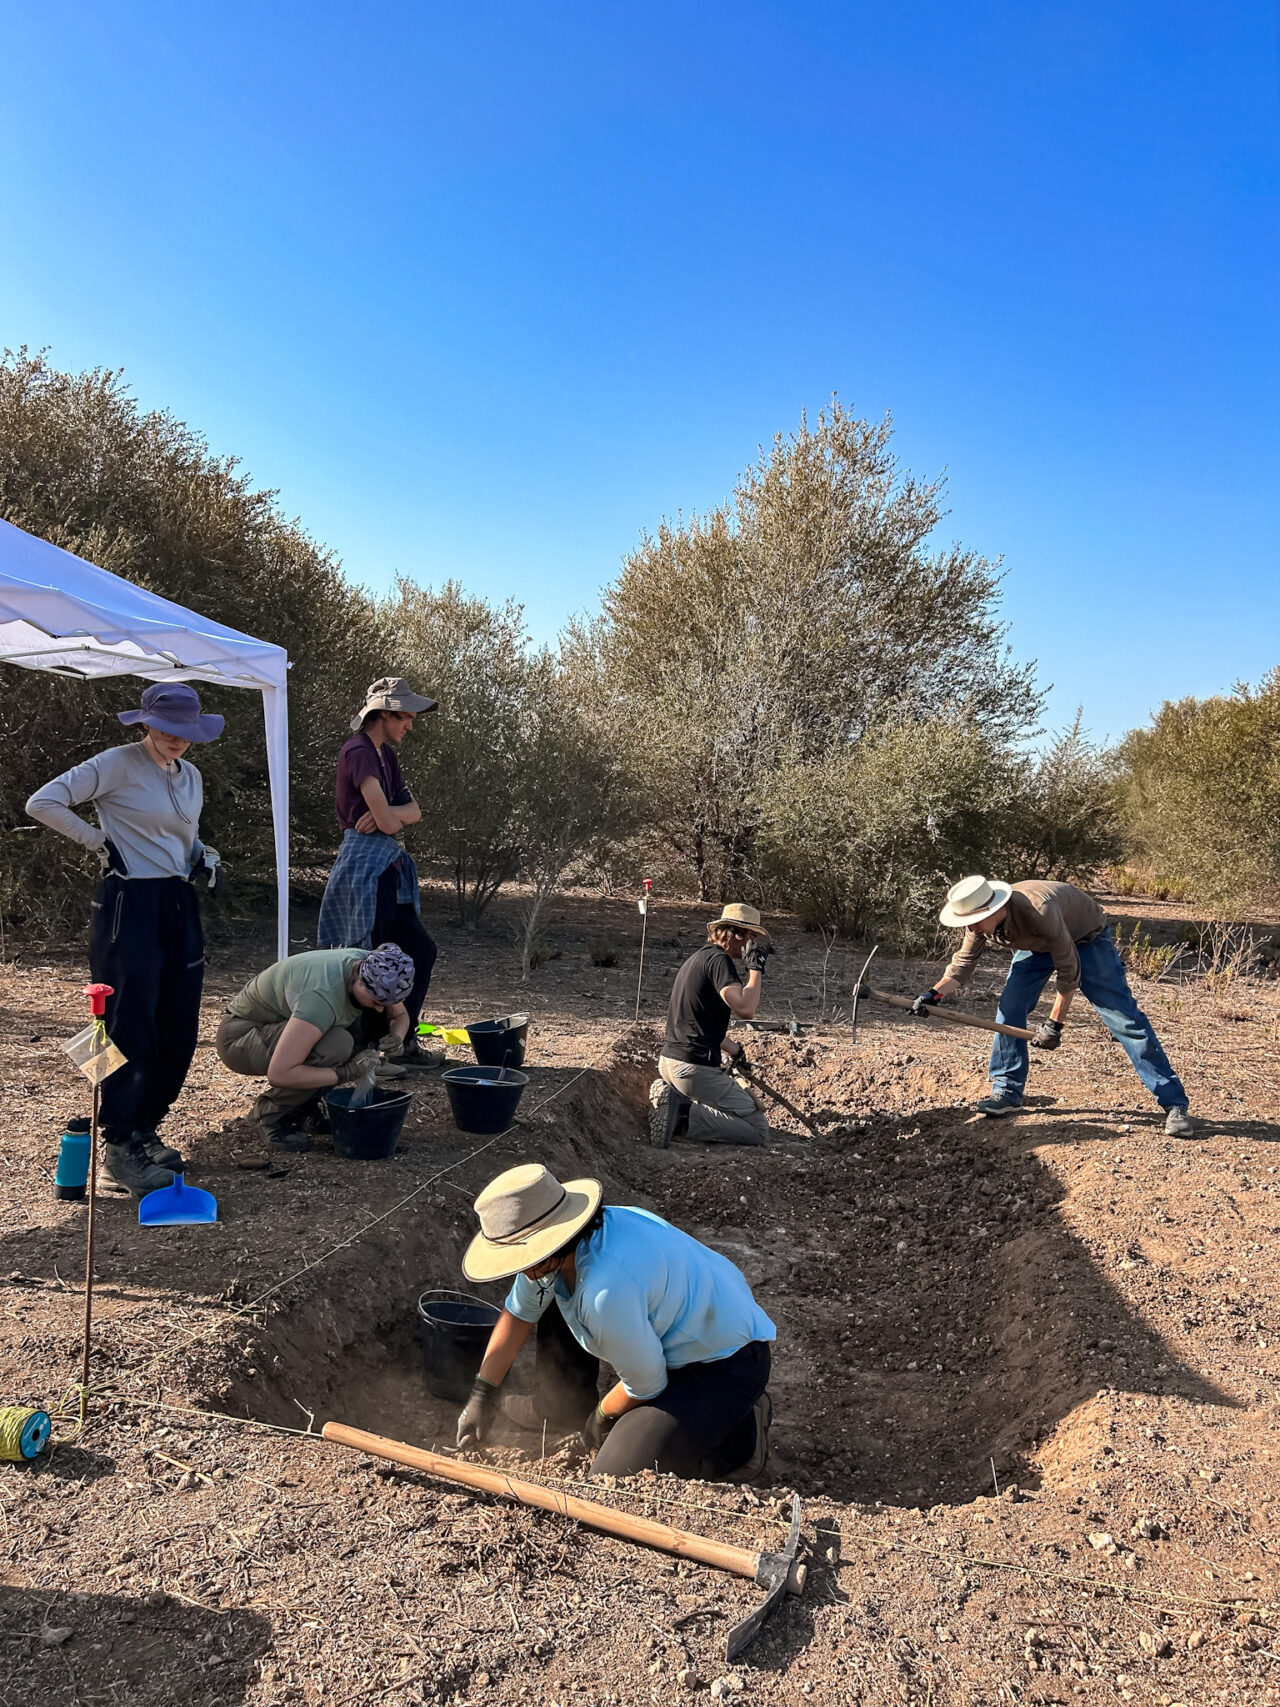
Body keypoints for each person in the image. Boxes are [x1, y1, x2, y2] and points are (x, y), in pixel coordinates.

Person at [454, 1164, 776, 1481]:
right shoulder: (565, 1247)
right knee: (552, 1296)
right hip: (672, 1340)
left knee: (615, 1479)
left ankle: (740, 1437)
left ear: (544, 1245)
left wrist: (602, 1416)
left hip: (725, 1362)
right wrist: (483, 1393)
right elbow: (519, 1313)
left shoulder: (605, 1290)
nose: (516, 1269)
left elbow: (647, 1383)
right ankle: (559, 1408)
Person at [26, 683, 226, 1195]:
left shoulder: (190, 774)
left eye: (186, 730)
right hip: (127, 903)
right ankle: (115, 1144)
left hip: (176, 902)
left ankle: (143, 1127)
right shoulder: (117, 762)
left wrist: (202, 854)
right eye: (167, 727)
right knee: (125, 1023)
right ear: (145, 722)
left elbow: (177, 833)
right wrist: (98, 842)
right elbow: (42, 802)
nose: (177, 738)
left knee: (177, 1023)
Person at [913, 875, 1196, 1136]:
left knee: (1124, 1021)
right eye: (968, 923)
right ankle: (1007, 1092)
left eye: (975, 921)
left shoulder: (1039, 910)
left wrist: (1054, 1024)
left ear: (995, 909)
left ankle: (1174, 1104)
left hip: (1087, 940)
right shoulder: (977, 924)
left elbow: (1069, 970)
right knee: (1010, 1009)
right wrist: (932, 994)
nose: (971, 928)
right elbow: (962, 966)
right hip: (1037, 945)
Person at [317, 677, 442, 1068]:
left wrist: (392, 817)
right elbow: (389, 821)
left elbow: (410, 813)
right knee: (371, 958)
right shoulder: (359, 752)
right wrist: (391, 818)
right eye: (405, 716)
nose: (410, 724)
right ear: (384, 713)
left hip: (387, 866)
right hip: (365, 869)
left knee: (419, 949)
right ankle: (369, 1051)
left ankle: (400, 1041)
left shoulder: (386, 755)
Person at [214, 943, 415, 1148]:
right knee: (338, 1045)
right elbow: (281, 1072)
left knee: (358, 1037)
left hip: (275, 1026)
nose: (382, 1009)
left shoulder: (375, 967)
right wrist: (346, 1072)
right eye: (377, 1001)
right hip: (240, 1038)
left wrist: (397, 1037)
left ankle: (302, 1107)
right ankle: (269, 1115)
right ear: (362, 983)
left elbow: (398, 1015)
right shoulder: (321, 998)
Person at [648, 903, 772, 1147]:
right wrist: (755, 970)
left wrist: (734, 1050)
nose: (753, 945)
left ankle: (674, 1099)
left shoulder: (699, 958)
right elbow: (747, 1009)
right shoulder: (719, 962)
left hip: (671, 1063)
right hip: (693, 1069)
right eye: (751, 937)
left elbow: (698, 1024)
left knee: (734, 1109)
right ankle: (682, 1116)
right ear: (735, 933)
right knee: (758, 1129)